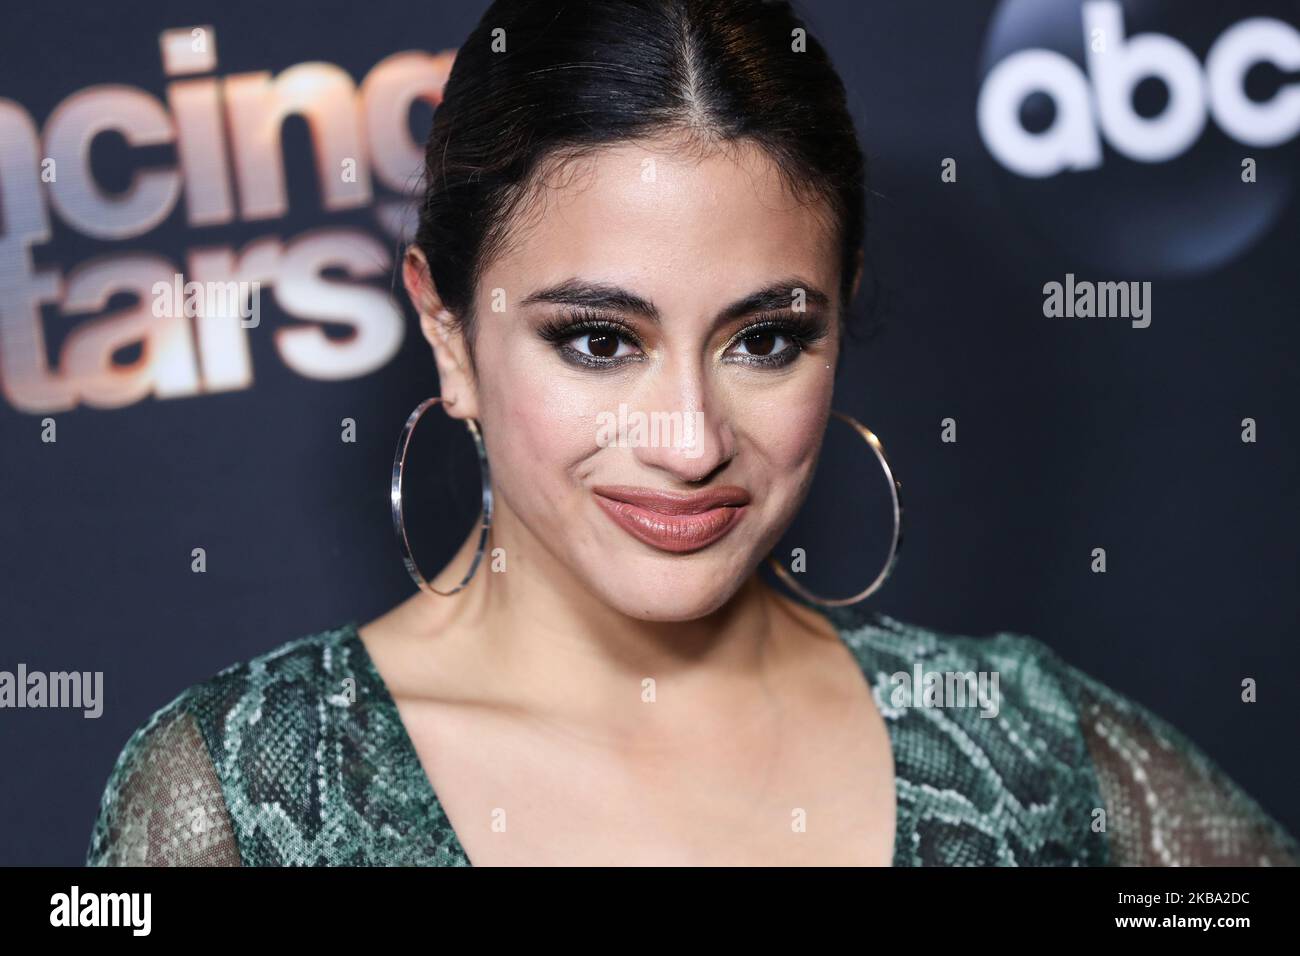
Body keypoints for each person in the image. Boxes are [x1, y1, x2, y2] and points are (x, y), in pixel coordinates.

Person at [86, 0, 1297, 867]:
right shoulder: (242, 800)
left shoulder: (1023, 745)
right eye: (598, 340)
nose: (689, 439)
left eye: (765, 338)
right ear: (449, 334)